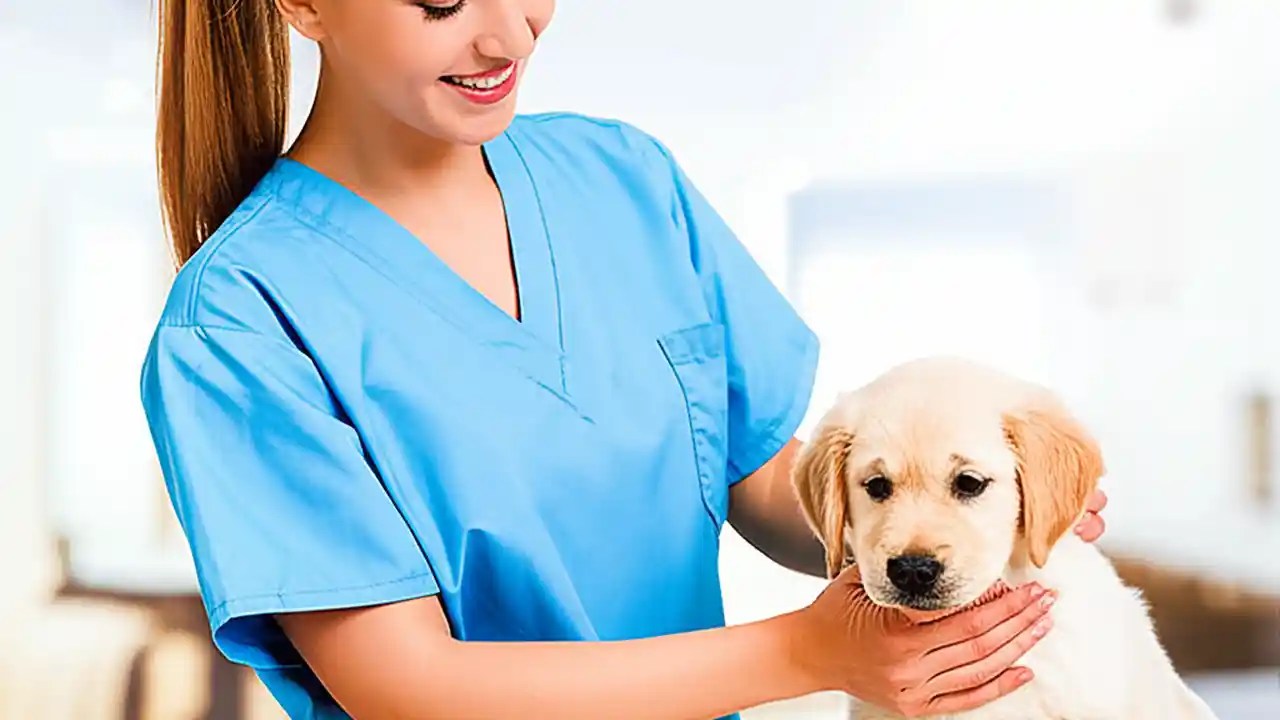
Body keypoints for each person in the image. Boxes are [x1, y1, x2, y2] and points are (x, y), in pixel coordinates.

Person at [138, 1, 1110, 718]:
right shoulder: (238, 322)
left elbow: (761, 472)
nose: (508, 37)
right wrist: (812, 653)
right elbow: (404, 684)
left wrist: (923, 518)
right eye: (441, 2)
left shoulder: (623, 180)